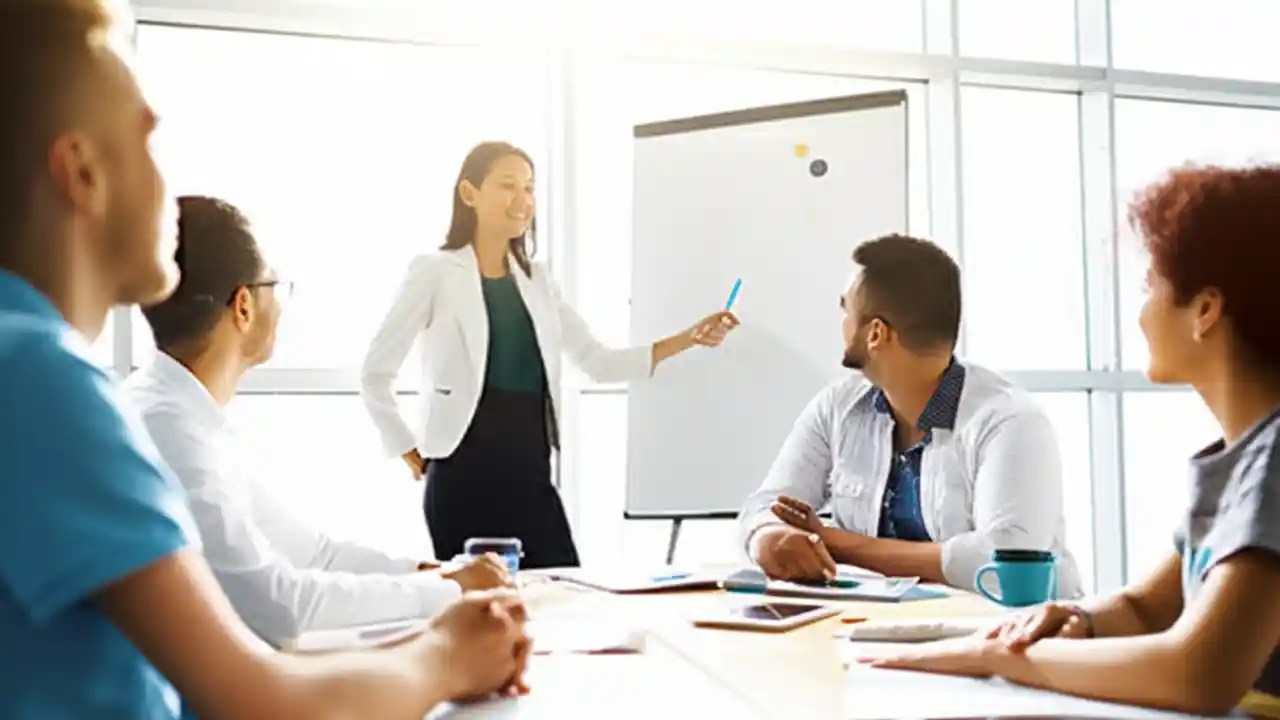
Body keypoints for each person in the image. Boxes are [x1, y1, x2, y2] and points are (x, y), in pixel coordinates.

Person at [0, 3, 528, 717]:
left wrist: (436, 589)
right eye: (148, 137)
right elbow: (259, 693)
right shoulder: (44, 383)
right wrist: (446, 654)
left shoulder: (37, 369)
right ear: (82, 172)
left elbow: (297, 560)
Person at [864, 165, 1280, 718]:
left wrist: (999, 658)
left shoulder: (1272, 461)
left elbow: (1198, 673)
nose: (1140, 312)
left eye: (1150, 287)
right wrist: (1075, 620)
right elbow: (1143, 610)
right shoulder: (1238, 459)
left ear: (1205, 310)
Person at [129, 194, 513, 647]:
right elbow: (278, 606)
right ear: (244, 306)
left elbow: (314, 554)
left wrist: (433, 573)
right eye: (274, 284)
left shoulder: (184, 413)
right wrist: (447, 590)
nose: (282, 303)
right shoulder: (171, 431)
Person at [361, 141, 740, 568]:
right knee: (485, 612)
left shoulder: (538, 280)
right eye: (508, 186)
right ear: (470, 194)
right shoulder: (433, 271)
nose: (522, 201)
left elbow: (597, 361)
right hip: (462, 475)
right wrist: (406, 446)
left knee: (564, 596)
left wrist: (688, 338)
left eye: (529, 188)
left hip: (530, 472)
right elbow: (375, 372)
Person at [737, 234, 1082, 597]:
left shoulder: (1010, 421)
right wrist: (768, 536)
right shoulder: (837, 406)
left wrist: (834, 542)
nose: (840, 323)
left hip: (1004, 637)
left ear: (876, 334)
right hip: (868, 628)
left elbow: (1003, 561)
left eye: (845, 311)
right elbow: (767, 505)